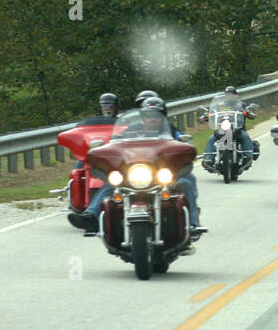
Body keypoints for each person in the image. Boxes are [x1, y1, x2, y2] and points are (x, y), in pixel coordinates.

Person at [82, 96, 204, 236]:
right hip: (135, 171)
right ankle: (91, 215)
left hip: (162, 172)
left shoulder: (171, 131)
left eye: (156, 116)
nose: (152, 119)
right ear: (143, 117)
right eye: (148, 116)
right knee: (112, 183)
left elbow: (183, 143)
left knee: (186, 182)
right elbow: (115, 143)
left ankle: (193, 223)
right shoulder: (131, 129)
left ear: (162, 117)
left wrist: (185, 146)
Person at [203, 86, 258, 170]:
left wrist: (248, 113)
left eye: (232, 94)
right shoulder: (219, 105)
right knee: (212, 138)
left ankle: (247, 157)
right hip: (221, 129)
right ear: (225, 95)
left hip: (237, 129)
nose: (230, 96)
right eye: (228, 94)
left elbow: (247, 112)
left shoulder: (240, 105)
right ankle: (209, 160)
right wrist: (207, 116)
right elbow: (213, 113)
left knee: (245, 137)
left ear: (236, 95)